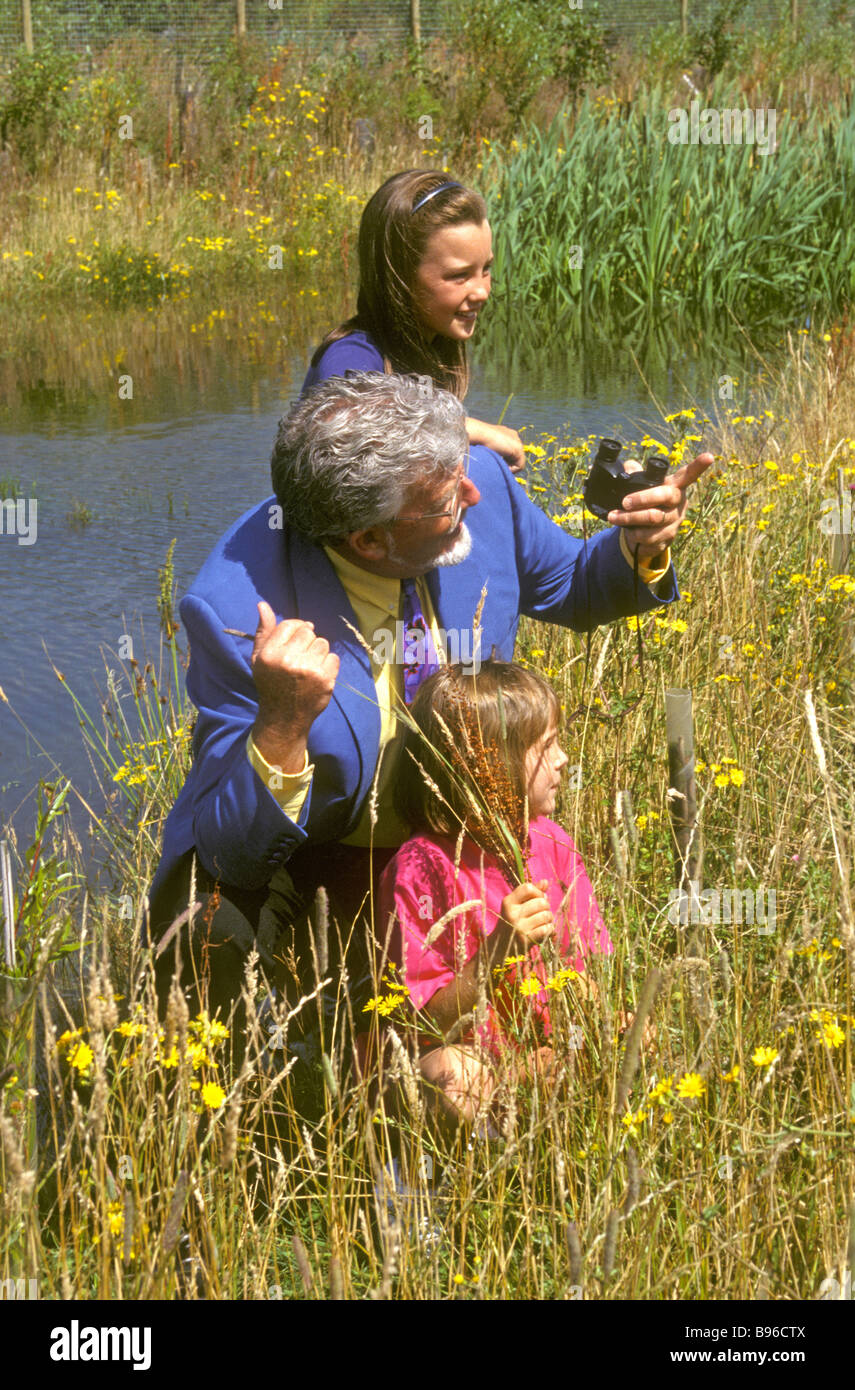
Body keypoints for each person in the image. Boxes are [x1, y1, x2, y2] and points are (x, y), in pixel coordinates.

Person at [145, 371, 711, 1042]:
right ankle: (236, 1109)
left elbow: (575, 586)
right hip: (327, 846)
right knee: (203, 926)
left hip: (458, 837)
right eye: (447, 498)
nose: (473, 490)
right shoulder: (237, 606)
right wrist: (283, 721)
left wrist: (638, 547)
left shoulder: (479, 488)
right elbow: (235, 851)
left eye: (461, 471)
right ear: (368, 541)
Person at [372, 660, 613, 1127]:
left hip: (552, 1047)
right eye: (546, 747)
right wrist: (496, 954)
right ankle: (455, 1184)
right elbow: (421, 1023)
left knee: (638, 1036)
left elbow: (592, 967)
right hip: (474, 1058)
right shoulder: (422, 867)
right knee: (455, 1079)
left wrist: (598, 1016)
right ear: (488, 766)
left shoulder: (554, 845)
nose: (564, 759)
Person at [301, 169, 526, 472]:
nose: (483, 291)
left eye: (485, 269)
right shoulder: (352, 353)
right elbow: (353, 428)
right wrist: (469, 428)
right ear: (400, 279)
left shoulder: (432, 348)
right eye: (459, 276)